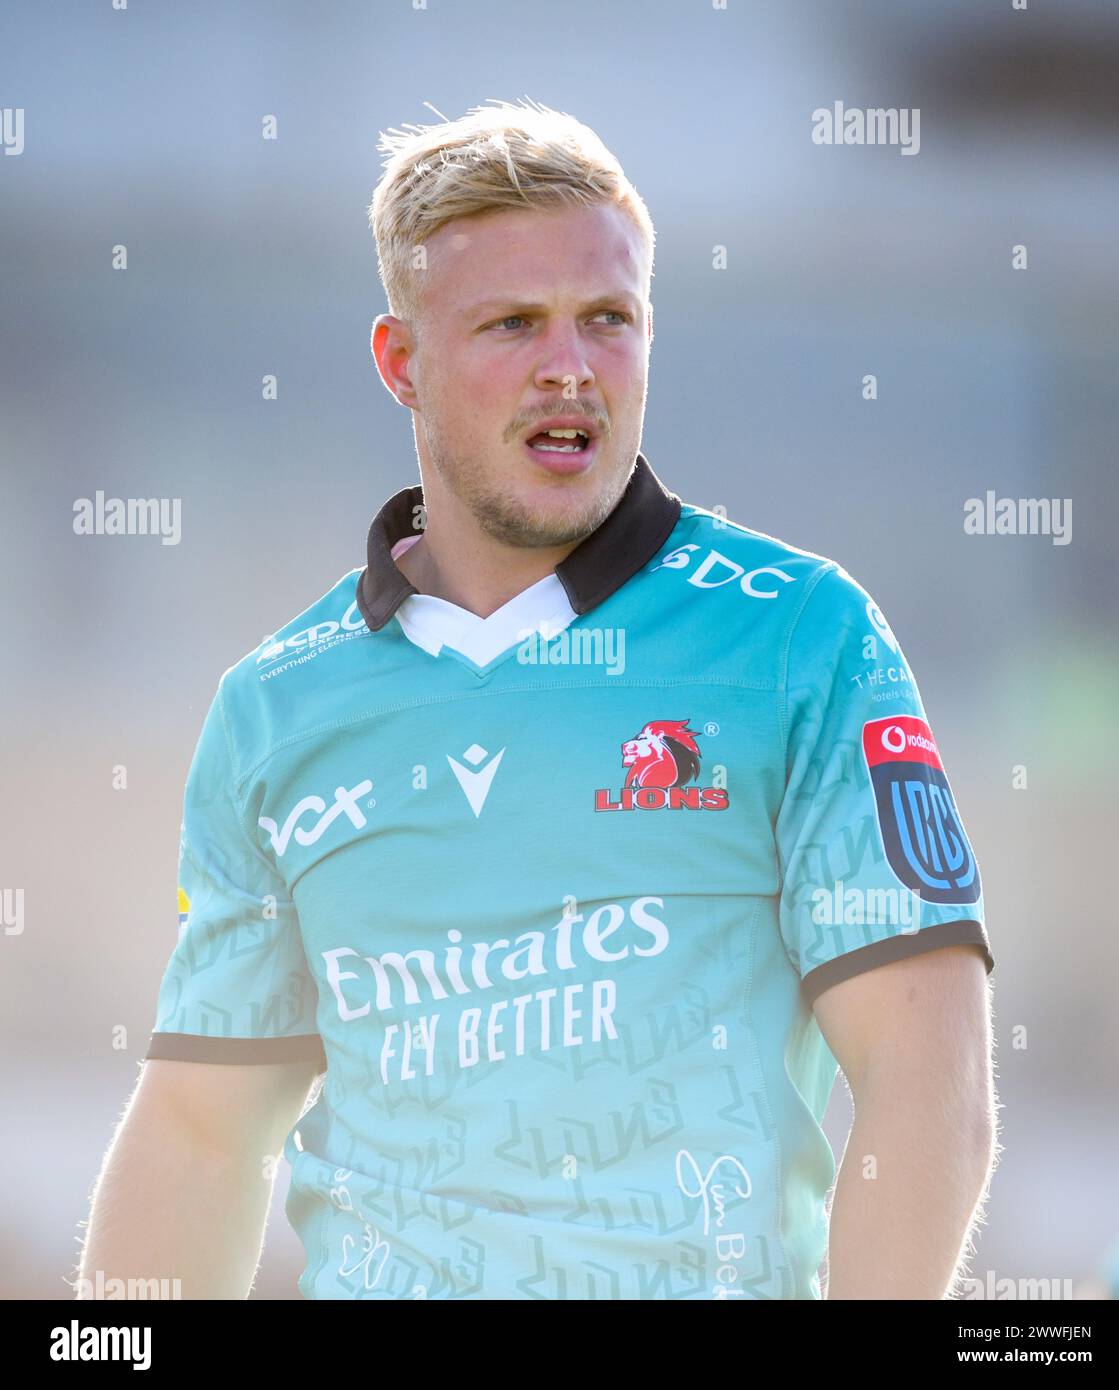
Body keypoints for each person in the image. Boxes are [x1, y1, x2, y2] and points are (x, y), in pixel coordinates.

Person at [77, 97, 998, 1301]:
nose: (569, 366)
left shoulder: (797, 637)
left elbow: (928, 1079)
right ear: (400, 362)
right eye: (513, 323)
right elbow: (201, 1136)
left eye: (605, 320)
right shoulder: (275, 706)